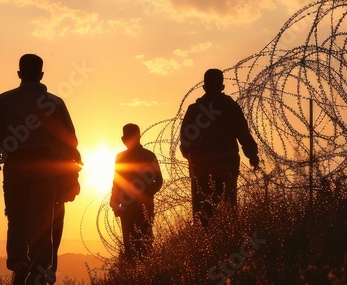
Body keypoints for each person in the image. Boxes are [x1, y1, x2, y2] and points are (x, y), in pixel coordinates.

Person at [0, 54, 81, 285]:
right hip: (46, 168)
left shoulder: (3, 100)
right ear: (42, 74)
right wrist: (72, 175)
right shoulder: (55, 103)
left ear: (19, 74)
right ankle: (38, 278)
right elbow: (69, 141)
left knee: (16, 218)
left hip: (15, 166)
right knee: (42, 221)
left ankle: (18, 262)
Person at [180, 68, 259, 227]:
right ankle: (227, 246)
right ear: (222, 86)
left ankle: (208, 248)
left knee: (204, 214)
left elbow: (185, 143)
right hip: (226, 168)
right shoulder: (230, 107)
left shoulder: (194, 110)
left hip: (201, 170)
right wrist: (252, 155)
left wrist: (193, 158)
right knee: (227, 211)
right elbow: (243, 133)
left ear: (204, 87)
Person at [111, 123, 163, 261]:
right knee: (136, 245)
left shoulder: (145, 156)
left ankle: (140, 276)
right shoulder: (146, 156)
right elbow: (117, 182)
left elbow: (158, 181)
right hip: (131, 207)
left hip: (136, 206)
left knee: (140, 244)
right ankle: (139, 276)